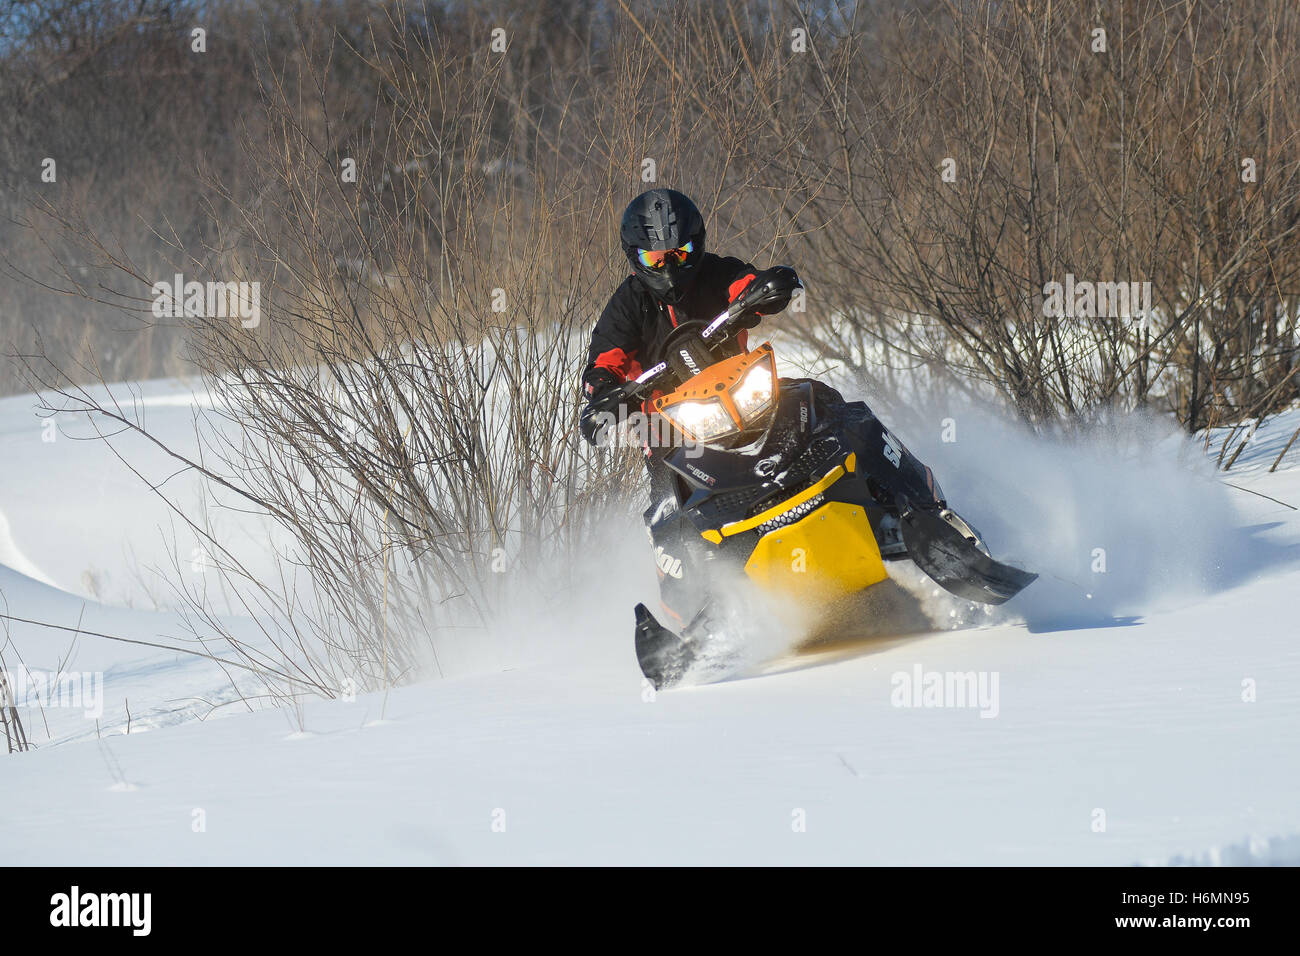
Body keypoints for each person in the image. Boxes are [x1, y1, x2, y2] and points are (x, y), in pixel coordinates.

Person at [578, 188, 797, 486]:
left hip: (742, 389)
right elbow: (603, 362)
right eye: (655, 259)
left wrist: (764, 289)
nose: (668, 267)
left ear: (696, 246)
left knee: (810, 401)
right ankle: (680, 532)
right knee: (671, 491)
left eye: (679, 254)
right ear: (635, 257)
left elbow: (745, 283)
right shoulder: (627, 303)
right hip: (668, 420)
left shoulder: (718, 271)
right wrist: (604, 393)